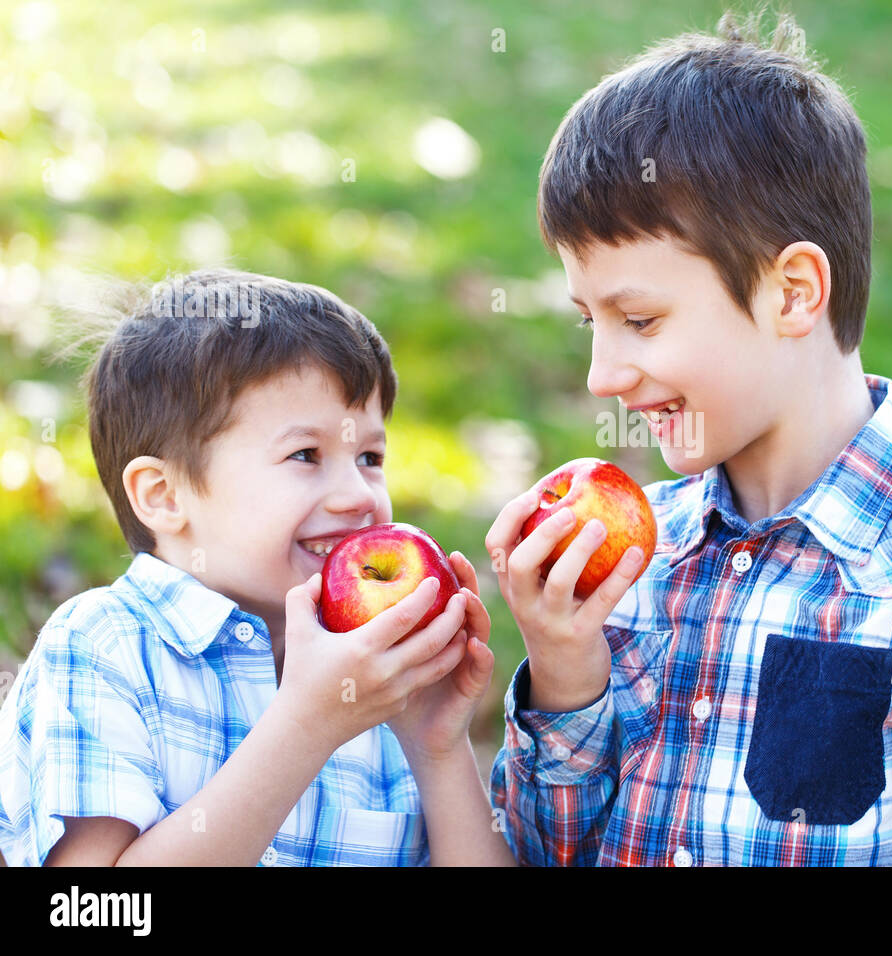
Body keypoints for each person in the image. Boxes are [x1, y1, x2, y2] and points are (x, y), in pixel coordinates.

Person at [485, 10, 892, 866]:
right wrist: (565, 673)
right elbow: (540, 850)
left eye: (639, 319)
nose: (603, 375)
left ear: (793, 293)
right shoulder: (636, 565)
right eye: (587, 323)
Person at [0, 268, 515, 866]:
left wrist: (437, 746)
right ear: (165, 496)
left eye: (370, 456)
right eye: (305, 455)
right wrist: (307, 728)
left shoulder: (377, 689)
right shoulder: (105, 648)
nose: (359, 494)